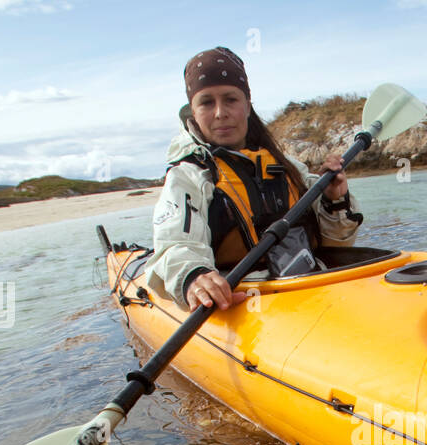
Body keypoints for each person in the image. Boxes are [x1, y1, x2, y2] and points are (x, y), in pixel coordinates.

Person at [147, 47, 364, 313]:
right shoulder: (188, 177)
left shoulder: (289, 167)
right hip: (241, 302)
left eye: (230, 99)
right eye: (206, 102)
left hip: (309, 289)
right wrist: (194, 276)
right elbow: (175, 245)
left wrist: (334, 199)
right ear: (192, 112)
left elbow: (337, 245)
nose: (220, 113)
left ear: (247, 105)